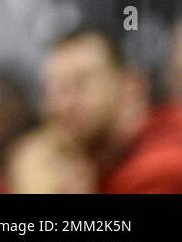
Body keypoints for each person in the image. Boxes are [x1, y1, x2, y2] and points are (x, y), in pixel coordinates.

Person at [42, 27, 182, 194]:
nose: (62, 104)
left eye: (81, 82)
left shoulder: (162, 165)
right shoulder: (99, 165)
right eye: (56, 89)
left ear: (131, 86)